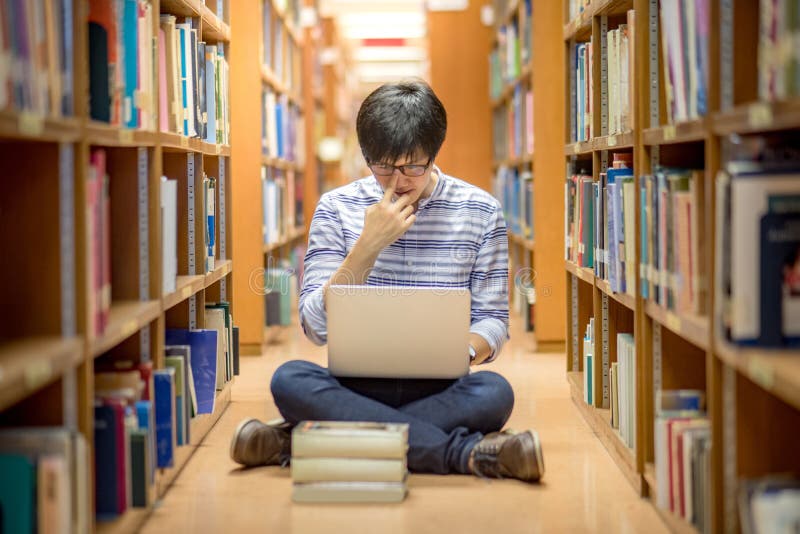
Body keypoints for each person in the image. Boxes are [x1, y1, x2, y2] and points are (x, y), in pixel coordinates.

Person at [229, 80, 544, 482]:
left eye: (413, 165)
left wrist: (459, 352)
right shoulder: (335, 208)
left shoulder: (480, 210)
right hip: (356, 386)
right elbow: (314, 327)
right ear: (365, 156)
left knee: (495, 393)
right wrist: (367, 246)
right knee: (290, 379)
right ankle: (464, 452)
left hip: (441, 387)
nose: (398, 181)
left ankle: (301, 439)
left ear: (435, 154)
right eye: (383, 166)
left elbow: (493, 320)